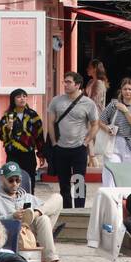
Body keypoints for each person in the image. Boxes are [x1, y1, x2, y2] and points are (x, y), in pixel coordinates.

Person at [0, 160, 65, 262]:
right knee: (44, 219)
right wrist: (11, 216)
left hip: (33, 234)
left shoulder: (27, 197)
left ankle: (35, 214)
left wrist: (35, 213)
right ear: (2, 179)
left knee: (56, 200)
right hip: (12, 236)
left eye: (18, 180)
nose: (15, 184)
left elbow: (53, 207)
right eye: (10, 180)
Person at [46, 71, 100, 210]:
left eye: (69, 82)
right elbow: (50, 123)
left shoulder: (88, 103)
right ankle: (67, 210)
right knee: (63, 183)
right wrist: (53, 142)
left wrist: (86, 142)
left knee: (79, 181)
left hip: (79, 148)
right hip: (60, 147)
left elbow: (95, 124)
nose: (66, 84)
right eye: (65, 81)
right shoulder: (56, 101)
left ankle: (79, 209)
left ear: (77, 85)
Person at [0, 88, 44, 185]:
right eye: (18, 97)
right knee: (13, 181)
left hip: (28, 153)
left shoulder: (33, 115)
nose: (22, 99)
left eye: (24, 96)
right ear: (13, 100)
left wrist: (41, 154)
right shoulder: (7, 116)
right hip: (13, 154)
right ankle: (14, 200)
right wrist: (7, 128)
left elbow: (39, 136)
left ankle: (27, 200)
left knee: (29, 181)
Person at [99, 77, 131, 169]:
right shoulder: (113, 105)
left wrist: (125, 110)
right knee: (111, 171)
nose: (127, 91)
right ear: (121, 91)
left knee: (129, 174)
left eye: (130, 89)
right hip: (113, 142)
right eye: (125, 89)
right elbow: (100, 120)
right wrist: (106, 128)